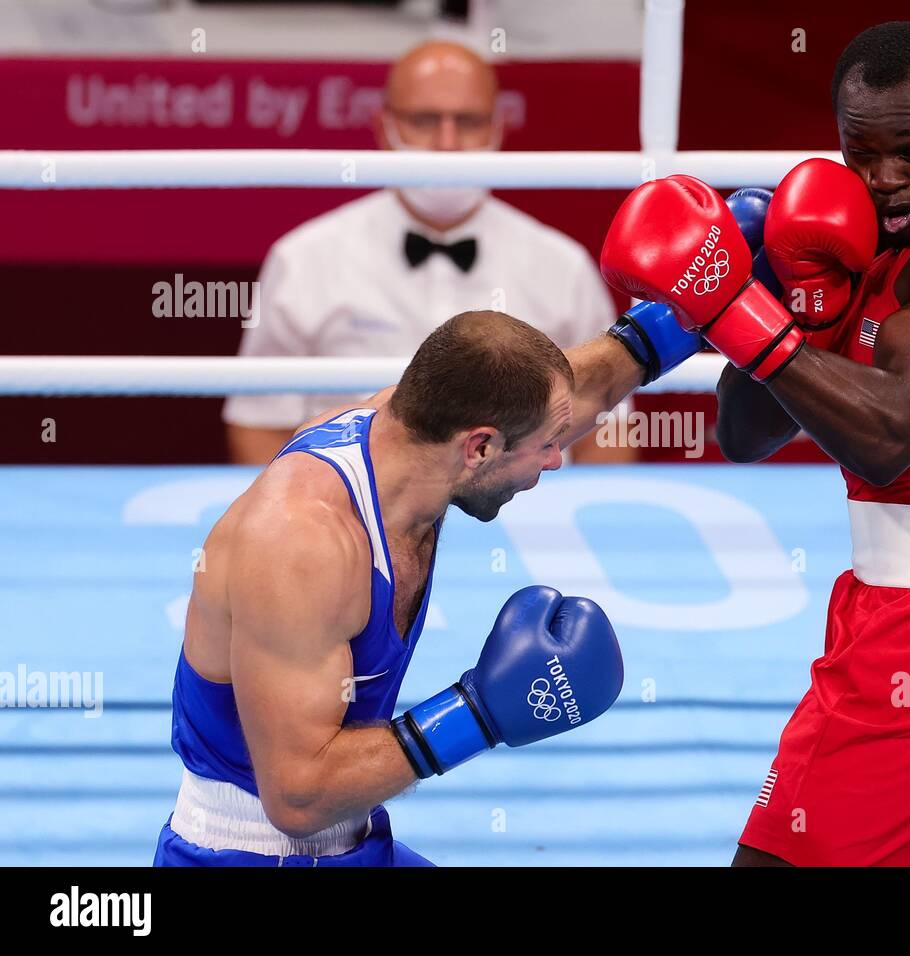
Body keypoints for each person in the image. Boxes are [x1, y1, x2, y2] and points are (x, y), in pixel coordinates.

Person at [154, 187, 779, 866]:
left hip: (355, 843)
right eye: (544, 447)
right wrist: (478, 714)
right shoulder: (302, 541)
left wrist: (707, 300)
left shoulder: (419, 422)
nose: (557, 461)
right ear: (479, 447)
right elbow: (299, 799)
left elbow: (591, 380)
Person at [599, 21, 910, 866]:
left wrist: (733, 307)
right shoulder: (853, 236)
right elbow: (743, 434)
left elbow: (890, 436)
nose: (885, 181)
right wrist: (798, 303)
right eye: (863, 153)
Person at [223, 38, 625, 465]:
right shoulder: (303, 259)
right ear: (384, 127)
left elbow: (606, 434)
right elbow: (259, 425)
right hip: (348, 517)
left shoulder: (564, 267)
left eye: (468, 121)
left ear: (498, 127)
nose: (447, 142)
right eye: (424, 120)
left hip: (528, 518)